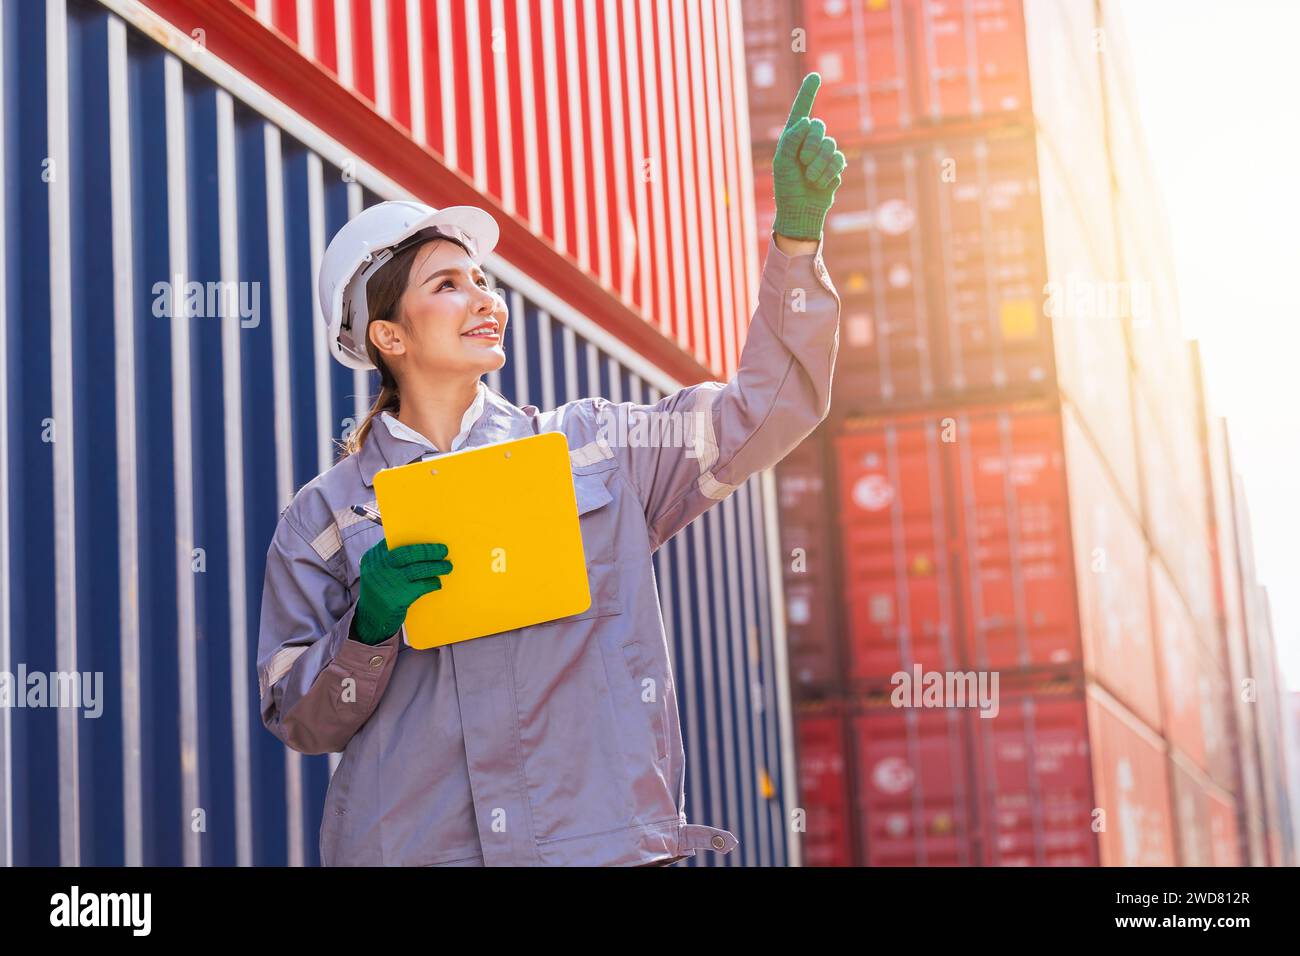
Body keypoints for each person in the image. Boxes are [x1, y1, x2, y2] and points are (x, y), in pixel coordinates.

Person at [256, 73, 846, 866]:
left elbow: (765, 413)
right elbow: (300, 719)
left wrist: (797, 247)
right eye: (448, 284)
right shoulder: (323, 519)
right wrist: (368, 632)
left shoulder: (596, 449)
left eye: (483, 281)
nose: (484, 298)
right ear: (388, 336)